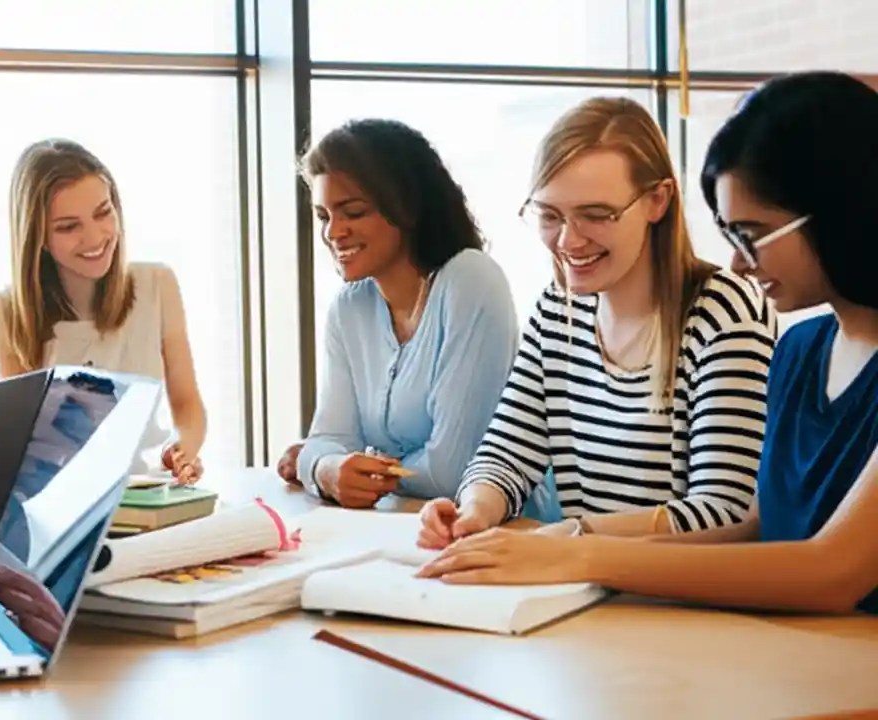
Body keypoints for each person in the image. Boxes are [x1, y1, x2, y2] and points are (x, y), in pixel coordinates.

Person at [416, 72, 878, 615]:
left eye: (751, 235)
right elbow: (759, 531)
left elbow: (832, 571)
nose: (737, 260)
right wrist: (550, 543)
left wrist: (581, 553)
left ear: (839, 211)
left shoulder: (726, 314)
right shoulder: (801, 350)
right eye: (730, 235)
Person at [419, 97, 776, 540]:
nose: (568, 240)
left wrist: (569, 539)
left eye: (595, 215)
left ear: (657, 201)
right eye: (550, 215)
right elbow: (506, 454)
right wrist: (472, 510)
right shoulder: (557, 311)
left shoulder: (723, 314)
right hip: (590, 584)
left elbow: (725, 511)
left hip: (681, 596)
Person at [282, 119, 519, 508]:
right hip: (402, 530)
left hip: (501, 534)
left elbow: (453, 471)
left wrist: (346, 465)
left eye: (353, 212)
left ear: (406, 206)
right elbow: (327, 439)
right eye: (324, 216)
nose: (332, 233)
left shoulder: (470, 281)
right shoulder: (349, 308)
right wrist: (325, 469)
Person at [0, 139, 206, 483]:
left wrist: (179, 450)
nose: (95, 237)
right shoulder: (3, 312)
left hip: (147, 492)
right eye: (68, 227)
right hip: (58, 503)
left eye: (103, 213)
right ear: (37, 236)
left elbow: (188, 403)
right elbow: (25, 449)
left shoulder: (157, 284)